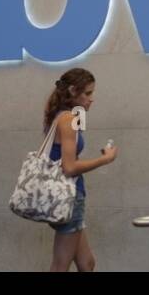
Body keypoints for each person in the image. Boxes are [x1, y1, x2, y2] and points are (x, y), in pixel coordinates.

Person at [46, 68, 118, 272]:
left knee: (87, 263)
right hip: (69, 198)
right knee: (60, 265)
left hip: (69, 197)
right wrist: (105, 159)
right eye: (87, 93)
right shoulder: (68, 120)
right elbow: (69, 167)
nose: (91, 99)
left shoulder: (63, 116)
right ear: (72, 91)